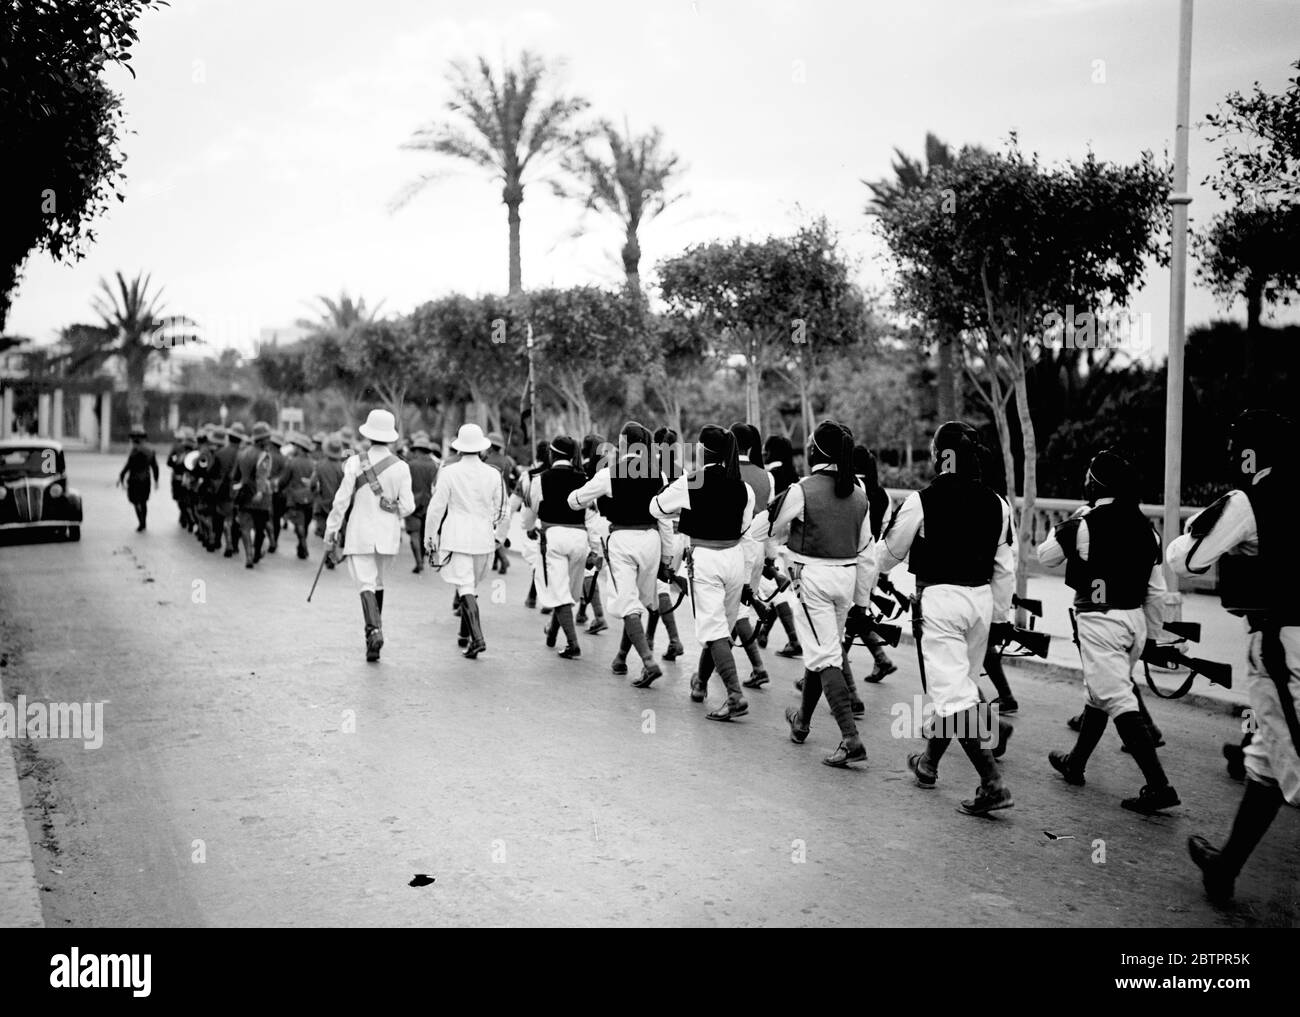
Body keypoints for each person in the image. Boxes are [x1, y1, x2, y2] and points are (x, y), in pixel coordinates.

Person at [1168, 409, 1300, 904]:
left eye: (1236, 444)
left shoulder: (1249, 500)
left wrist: (1196, 526)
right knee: (1268, 762)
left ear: (1251, 453)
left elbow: (1187, 558)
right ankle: (1225, 867)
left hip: (1283, 643)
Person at [875, 421, 1015, 813]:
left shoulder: (922, 500)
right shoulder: (997, 503)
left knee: (952, 695)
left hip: (939, 599)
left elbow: (891, 553)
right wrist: (1002, 617)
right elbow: (1005, 566)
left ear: (942, 455)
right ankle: (929, 764)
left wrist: (872, 569)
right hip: (982, 602)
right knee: (957, 688)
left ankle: (992, 784)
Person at [1037, 449, 1179, 814]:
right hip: (1134, 620)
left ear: (1096, 484)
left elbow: (1046, 556)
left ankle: (1159, 785)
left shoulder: (1084, 523)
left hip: (1099, 619)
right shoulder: (1148, 531)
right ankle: (1075, 763)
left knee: (1115, 697)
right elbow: (1157, 591)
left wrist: (1073, 522)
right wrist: (1148, 634)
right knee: (1101, 691)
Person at [758, 420, 874, 765]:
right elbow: (867, 554)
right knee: (822, 647)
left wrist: (775, 543)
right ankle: (803, 723)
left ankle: (851, 738)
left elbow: (770, 527)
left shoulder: (802, 489)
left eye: (810, 444)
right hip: (847, 578)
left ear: (817, 451)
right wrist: (862, 603)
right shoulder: (859, 495)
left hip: (814, 579)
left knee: (824, 656)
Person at [653, 425, 755, 720]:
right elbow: (745, 530)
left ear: (701, 451)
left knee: (714, 629)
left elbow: (656, 507)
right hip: (734, 558)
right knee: (720, 627)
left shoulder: (691, 482)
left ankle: (735, 695)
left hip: (706, 560)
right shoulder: (743, 487)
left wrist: (682, 511)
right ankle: (699, 683)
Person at [569, 422, 665, 686]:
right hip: (652, 540)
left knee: (627, 602)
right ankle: (621, 657)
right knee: (635, 601)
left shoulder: (610, 473)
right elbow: (665, 519)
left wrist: (593, 496)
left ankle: (647, 661)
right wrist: (667, 557)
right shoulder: (659, 474)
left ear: (623, 442)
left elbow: (574, 500)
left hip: (623, 539)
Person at [324, 409, 414, 662]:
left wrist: (331, 532)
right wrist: (391, 507)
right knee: (379, 583)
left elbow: (340, 501)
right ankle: (375, 633)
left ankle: (373, 631)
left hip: (360, 534)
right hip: (388, 535)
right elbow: (409, 506)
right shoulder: (401, 467)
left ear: (368, 434)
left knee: (366, 584)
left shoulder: (354, 462)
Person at [426, 423, 511, 659]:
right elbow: (504, 511)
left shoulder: (449, 473)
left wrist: (430, 538)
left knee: (464, 587)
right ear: (482, 448)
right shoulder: (493, 474)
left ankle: (477, 638)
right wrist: (499, 538)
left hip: (456, 537)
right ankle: (464, 635)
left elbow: (435, 509)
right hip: (483, 538)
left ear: (459, 448)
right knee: (470, 587)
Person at [522, 435, 591, 659]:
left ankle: (572, 644)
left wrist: (529, 527)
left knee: (559, 592)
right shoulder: (585, 477)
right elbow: (591, 513)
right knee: (567, 591)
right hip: (580, 537)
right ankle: (552, 633)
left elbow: (531, 510)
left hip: (553, 536)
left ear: (552, 454)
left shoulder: (541, 478)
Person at [853, 444, 899, 684]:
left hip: (849, 560)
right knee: (856, 616)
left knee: (849, 618)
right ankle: (881, 659)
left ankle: (822, 676)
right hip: (871, 559)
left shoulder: (849, 489)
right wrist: (882, 571)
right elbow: (885, 533)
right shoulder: (883, 495)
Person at [644, 426, 687, 662]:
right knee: (658, 588)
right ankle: (652, 638)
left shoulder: (651, 469)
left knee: (659, 589)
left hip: (664, 535)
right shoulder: (684, 472)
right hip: (682, 535)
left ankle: (674, 640)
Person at [761, 433, 804, 659]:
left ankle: (794, 639)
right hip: (793, 545)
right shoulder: (796, 478)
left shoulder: (769, 476)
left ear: (770, 452)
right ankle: (764, 633)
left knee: (776, 591)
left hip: (773, 544)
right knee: (790, 592)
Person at [574, 433, 611, 635]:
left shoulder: (583, 469)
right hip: (608, 523)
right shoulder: (608, 469)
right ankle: (581, 612)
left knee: (588, 570)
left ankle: (599, 617)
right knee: (593, 570)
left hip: (590, 522)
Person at [231, 421, 276, 569]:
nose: (269, 441)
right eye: (267, 438)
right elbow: (262, 476)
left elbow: (235, 475)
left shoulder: (241, 453)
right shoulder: (265, 455)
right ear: (262, 440)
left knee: (245, 527)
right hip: (260, 497)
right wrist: (260, 491)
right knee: (260, 528)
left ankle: (248, 555)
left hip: (243, 494)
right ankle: (256, 553)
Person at [276, 432, 317, 559]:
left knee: (299, 523)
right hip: (309, 498)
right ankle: (301, 545)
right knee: (305, 523)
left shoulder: (292, 462)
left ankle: (302, 544)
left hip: (294, 498)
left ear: (299, 448)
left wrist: (279, 489)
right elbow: (315, 483)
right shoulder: (313, 463)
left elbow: (284, 481)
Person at [405, 432, 440, 573]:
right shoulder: (435, 466)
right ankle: (423, 558)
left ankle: (419, 562)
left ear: (417, 450)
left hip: (413, 503)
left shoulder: (410, 465)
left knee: (414, 533)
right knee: (424, 534)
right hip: (429, 503)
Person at [312, 435, 346, 567]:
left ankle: (329, 552)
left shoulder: (320, 465)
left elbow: (313, 484)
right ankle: (331, 553)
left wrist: (314, 492)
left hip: (322, 504)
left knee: (323, 530)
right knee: (334, 530)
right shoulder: (343, 468)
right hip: (337, 504)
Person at [485, 431, 516, 575]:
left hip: (491, 500)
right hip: (505, 499)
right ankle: (496, 563)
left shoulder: (486, 460)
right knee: (496, 532)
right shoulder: (506, 461)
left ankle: (503, 559)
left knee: (491, 533)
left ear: (490, 446)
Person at [213, 421, 246, 557]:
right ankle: (235, 545)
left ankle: (226, 543)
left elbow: (213, 472)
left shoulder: (220, 453)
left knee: (224, 516)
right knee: (237, 517)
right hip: (241, 490)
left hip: (224, 489)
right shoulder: (244, 454)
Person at [118, 425, 159, 532]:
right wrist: (156, 480)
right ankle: (144, 521)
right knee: (144, 501)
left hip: (134, 480)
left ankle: (141, 522)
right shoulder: (150, 451)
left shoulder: (134, 451)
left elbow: (128, 466)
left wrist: (121, 477)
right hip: (146, 480)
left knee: (136, 501)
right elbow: (155, 467)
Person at [166, 426, 196, 530]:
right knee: (187, 499)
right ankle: (185, 517)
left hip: (178, 478)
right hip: (191, 479)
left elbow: (169, 462)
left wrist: (176, 463)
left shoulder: (176, 447)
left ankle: (187, 517)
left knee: (180, 499)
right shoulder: (195, 448)